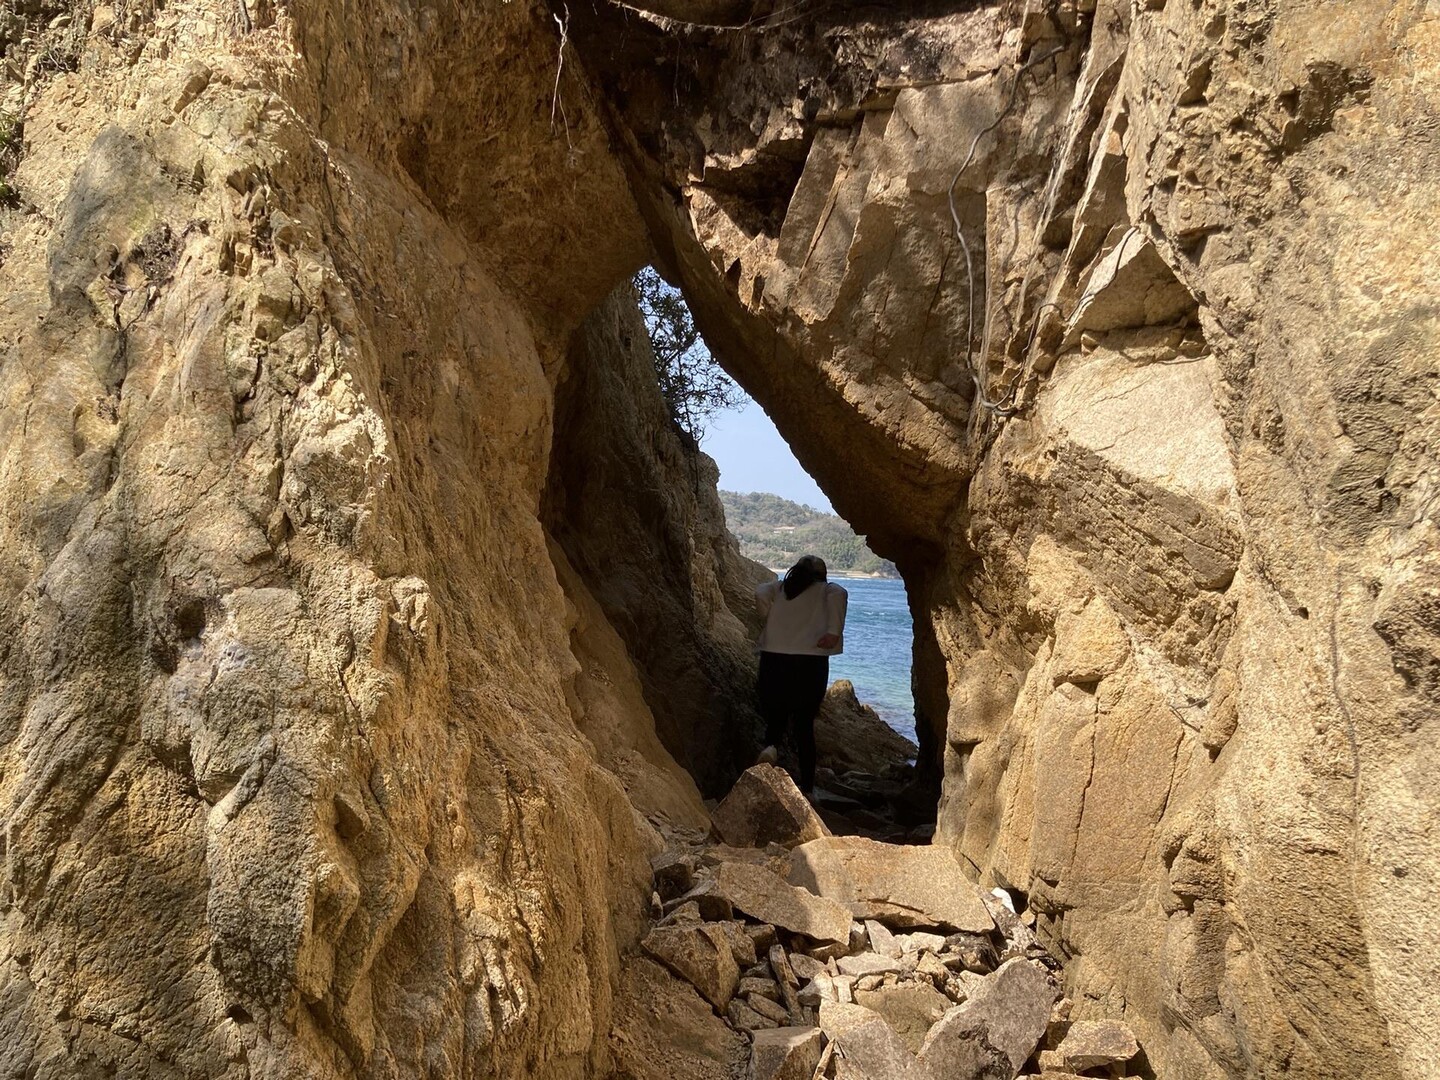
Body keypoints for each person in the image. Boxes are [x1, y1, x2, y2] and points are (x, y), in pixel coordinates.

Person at [754, 554, 848, 794]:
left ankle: (771, 748)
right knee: (804, 724)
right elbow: (840, 593)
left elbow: (760, 592)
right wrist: (833, 631)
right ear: (821, 575)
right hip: (810, 661)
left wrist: (768, 617)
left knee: (775, 715)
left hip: (773, 657)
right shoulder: (827, 590)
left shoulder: (781, 588)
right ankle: (807, 788)